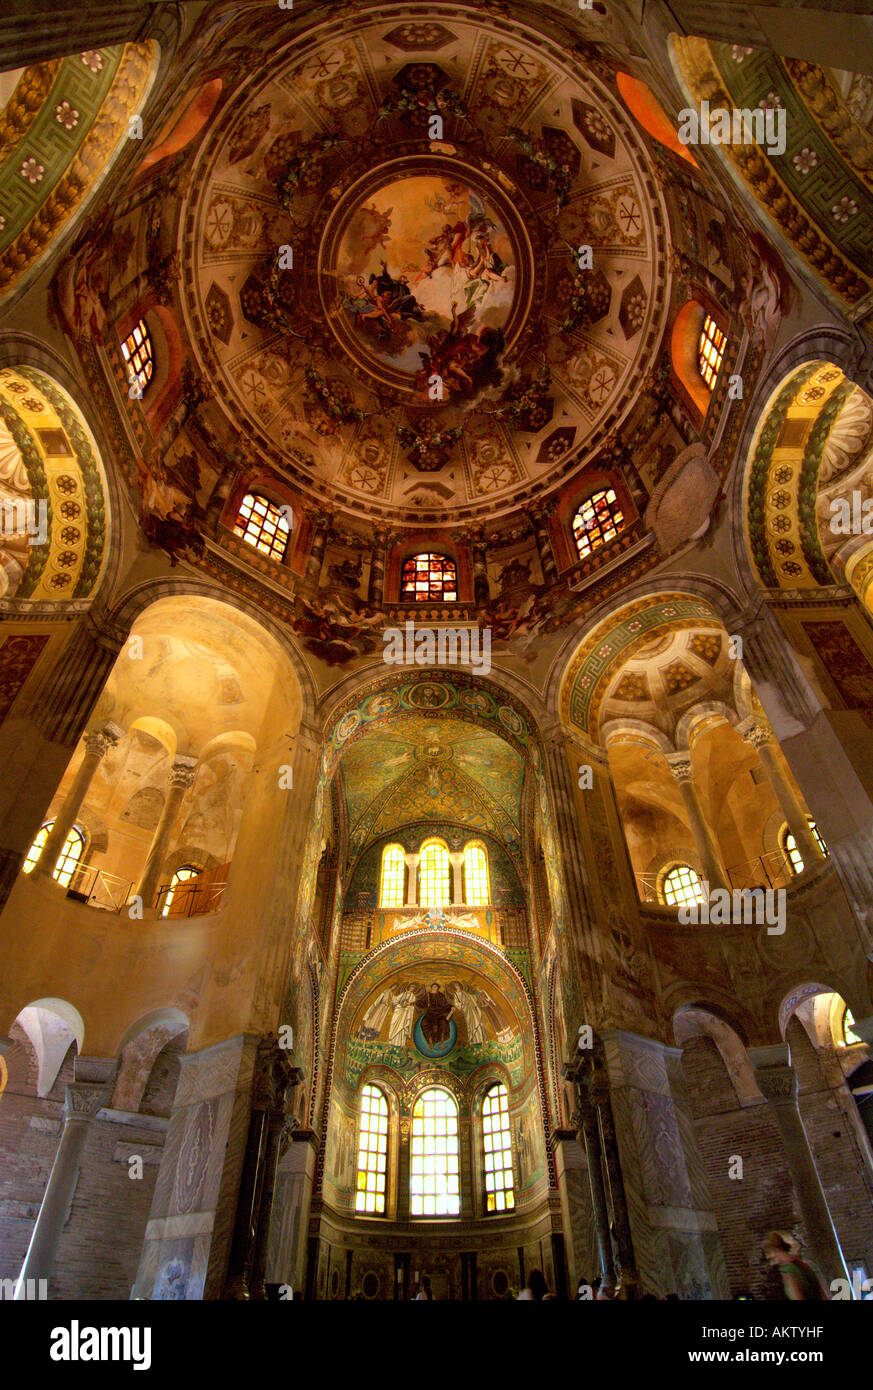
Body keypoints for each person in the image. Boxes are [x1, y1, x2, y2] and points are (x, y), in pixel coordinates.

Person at [763, 1231, 828, 1300]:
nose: (768, 1257)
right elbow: (822, 1294)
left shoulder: (787, 1270)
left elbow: (796, 1297)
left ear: (776, 1249)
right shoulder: (803, 1265)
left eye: (769, 1252)